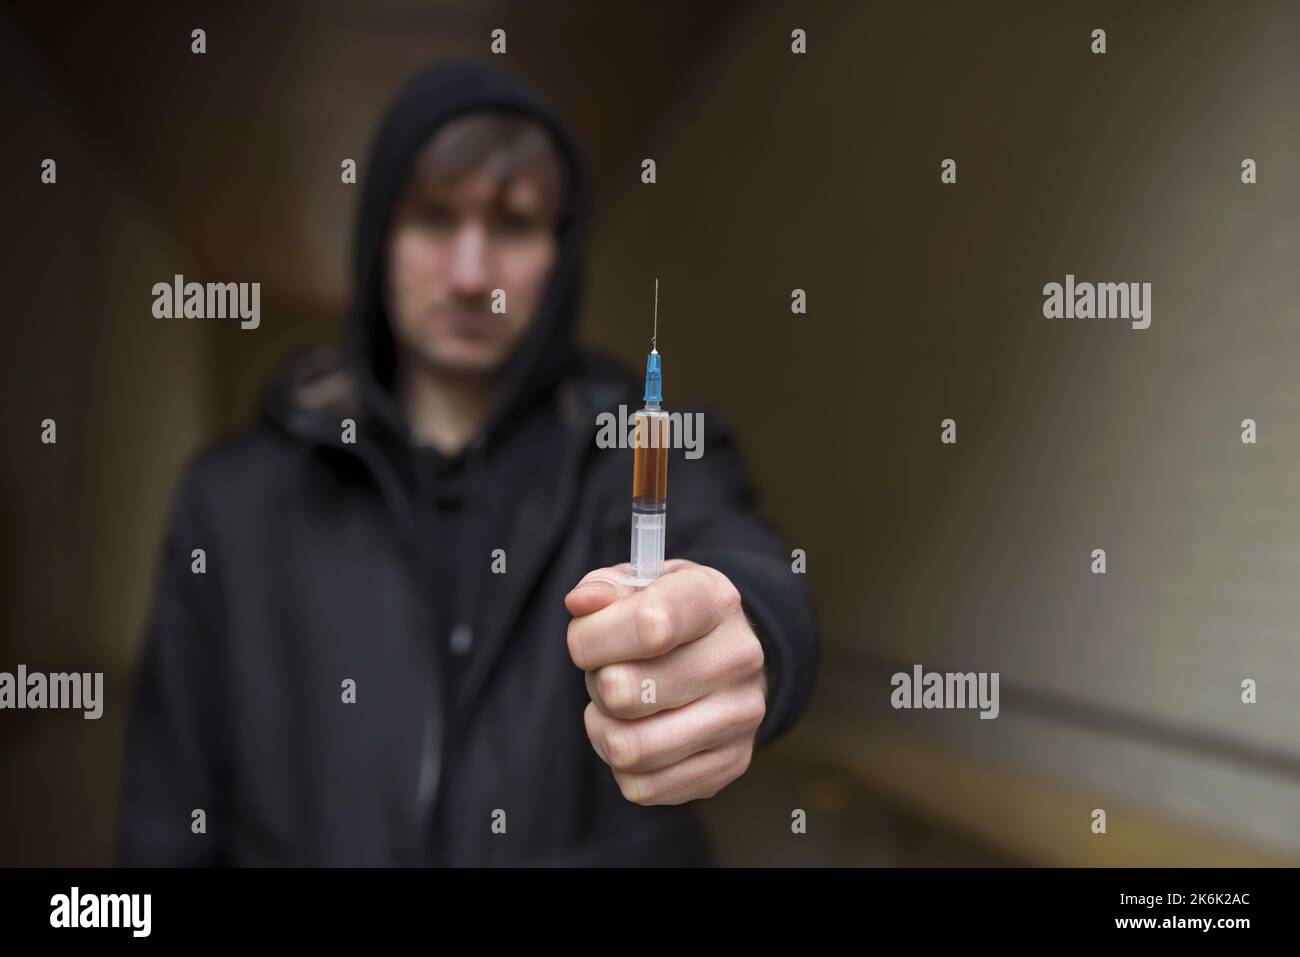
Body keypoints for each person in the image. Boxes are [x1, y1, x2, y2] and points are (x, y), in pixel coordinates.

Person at [117, 57, 817, 866]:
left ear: (561, 257)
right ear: (379, 237)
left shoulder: (631, 453)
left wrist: (747, 638)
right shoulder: (231, 501)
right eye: (433, 217)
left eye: (515, 224)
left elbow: (751, 568)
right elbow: (163, 817)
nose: (470, 273)